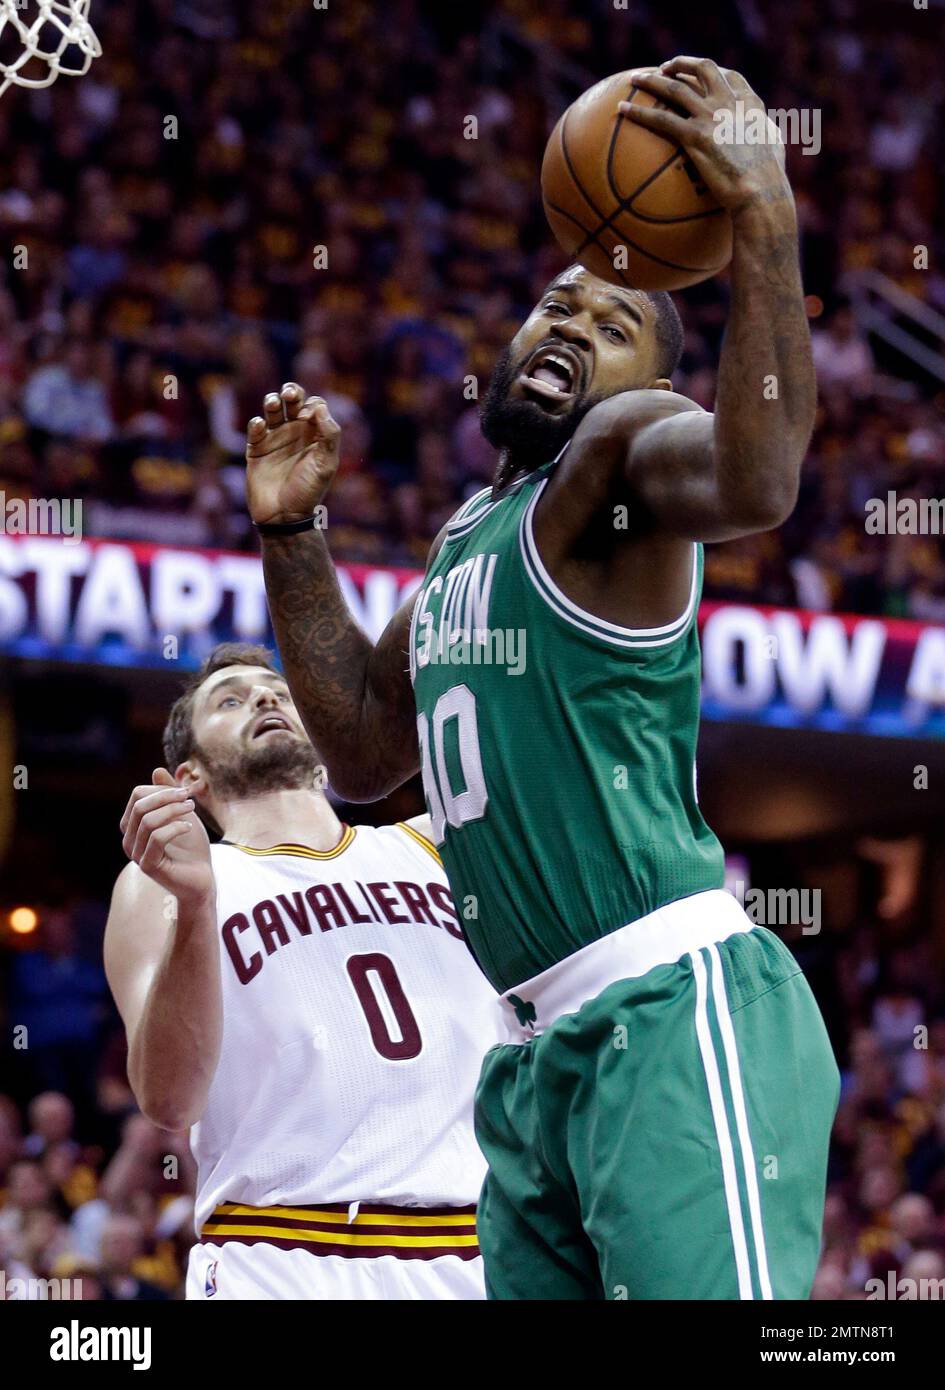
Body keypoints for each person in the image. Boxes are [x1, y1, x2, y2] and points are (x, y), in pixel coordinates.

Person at [249, 58, 840, 1300]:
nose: (572, 322)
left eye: (614, 322)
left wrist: (764, 219)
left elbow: (758, 481)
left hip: (670, 1008)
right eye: (556, 306)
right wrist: (292, 540)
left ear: (650, 386)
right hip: (528, 1063)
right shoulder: (470, 540)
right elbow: (360, 753)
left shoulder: (619, 462)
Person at [104, 644, 499, 1300]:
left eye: (279, 692)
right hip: (280, 1251)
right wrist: (198, 903)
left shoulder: (437, 840)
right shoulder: (162, 888)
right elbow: (170, 1100)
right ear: (187, 780)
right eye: (229, 701)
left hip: (476, 1248)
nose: (264, 699)